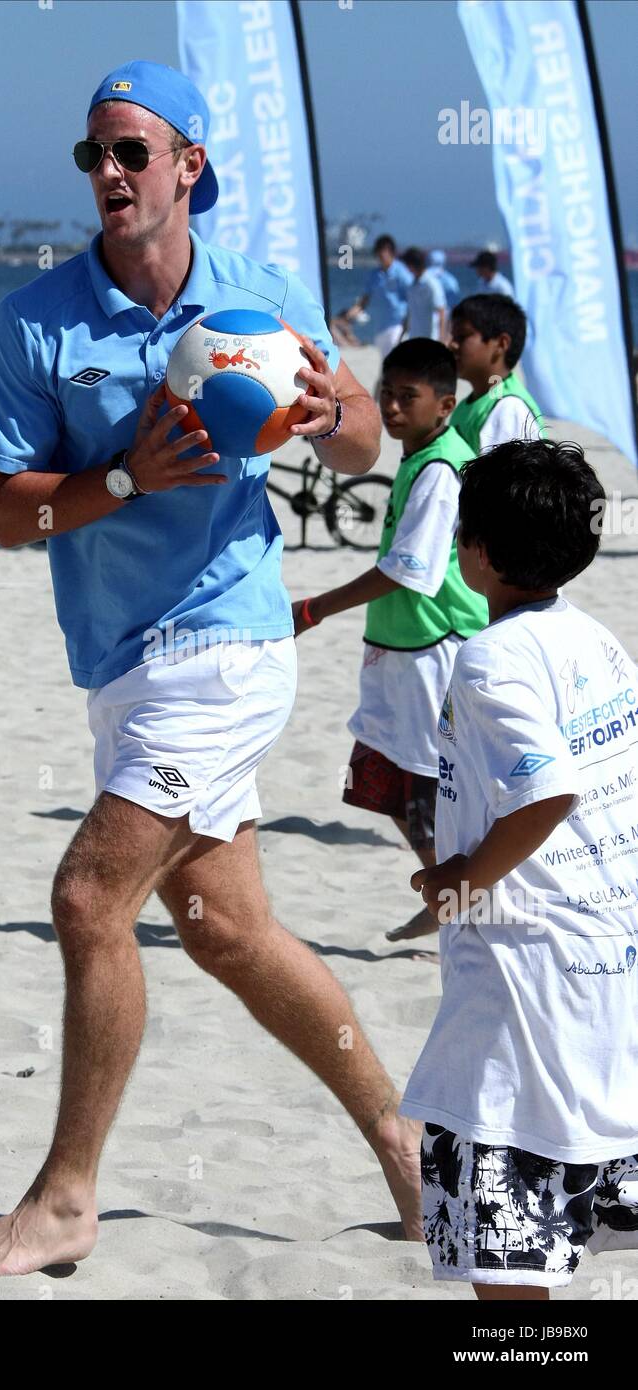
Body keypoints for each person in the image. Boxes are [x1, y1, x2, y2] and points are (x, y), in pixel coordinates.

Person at [0, 59, 423, 1282]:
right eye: (93, 154)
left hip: (230, 638)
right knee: (228, 932)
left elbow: (363, 439)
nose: (108, 173)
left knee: (90, 899)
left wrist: (327, 418)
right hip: (121, 659)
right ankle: (416, 1158)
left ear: (188, 167)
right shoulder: (37, 318)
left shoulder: (258, 295)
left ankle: (65, 1199)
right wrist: (125, 477)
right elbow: (2, 514)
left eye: (131, 152)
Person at [401, 438, 638, 1300]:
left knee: (503, 1264)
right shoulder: (596, 640)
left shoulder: (490, 657)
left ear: (476, 553)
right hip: (606, 981)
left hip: (521, 995)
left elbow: (547, 791)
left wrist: (459, 874)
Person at [292, 339, 487, 944]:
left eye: (410, 397)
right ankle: (446, 893)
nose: (394, 408)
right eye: (387, 394)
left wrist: (316, 608)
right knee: (390, 782)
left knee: (428, 791)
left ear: (445, 405)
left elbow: (410, 570)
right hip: (399, 649)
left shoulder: (439, 468)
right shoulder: (418, 458)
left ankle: (457, 899)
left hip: (431, 653)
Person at [449, 295, 545, 454]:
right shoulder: (471, 404)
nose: (452, 344)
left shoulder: (508, 408)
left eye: (462, 336)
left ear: (501, 344)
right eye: (453, 337)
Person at [344, 233, 413, 371]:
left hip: (397, 324)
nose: (380, 257)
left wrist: (409, 322)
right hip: (381, 326)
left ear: (390, 251)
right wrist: (355, 310)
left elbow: (412, 297)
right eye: (378, 253)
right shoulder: (375, 274)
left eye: (382, 252)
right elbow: (366, 297)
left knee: (396, 362)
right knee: (385, 363)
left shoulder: (401, 272)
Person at [401, 247, 446, 343]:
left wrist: (442, 338)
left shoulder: (431, 284)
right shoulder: (412, 285)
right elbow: (410, 313)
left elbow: (441, 311)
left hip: (431, 337)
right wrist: (402, 334)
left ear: (412, 265)